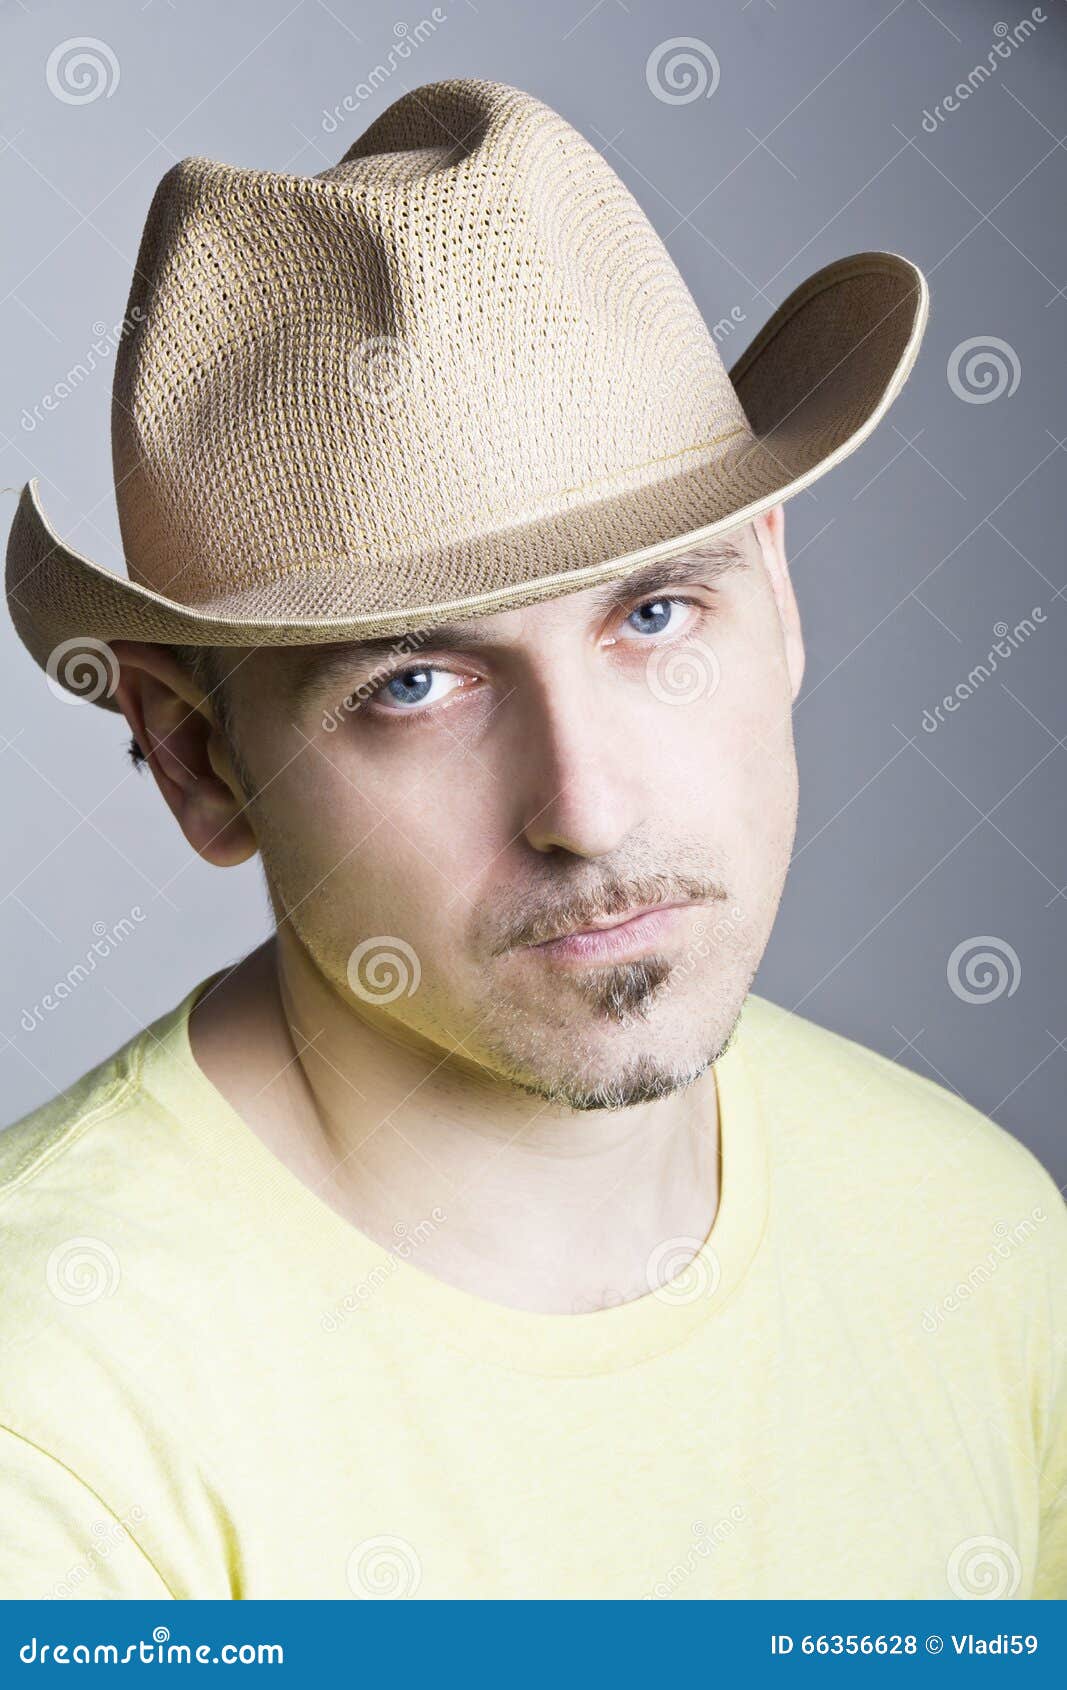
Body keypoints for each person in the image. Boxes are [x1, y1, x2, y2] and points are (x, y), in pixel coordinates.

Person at [2, 77, 1063, 1601]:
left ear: (778, 594)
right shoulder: (50, 1415)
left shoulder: (983, 1236)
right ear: (195, 756)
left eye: (656, 612)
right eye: (414, 684)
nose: (589, 806)